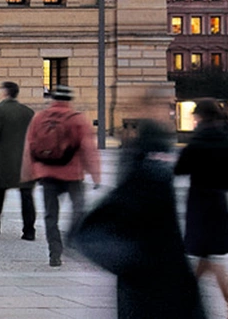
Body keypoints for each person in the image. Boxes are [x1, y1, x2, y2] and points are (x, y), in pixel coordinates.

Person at [76, 104, 199, 319]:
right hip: (159, 274)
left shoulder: (140, 177)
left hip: (142, 274)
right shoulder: (152, 177)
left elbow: (93, 226)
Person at [177, 99, 228, 319]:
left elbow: (180, 169)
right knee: (208, 256)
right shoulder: (227, 140)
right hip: (218, 201)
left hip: (199, 202)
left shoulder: (198, 141)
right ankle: (186, 302)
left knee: (210, 257)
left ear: (201, 117)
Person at [24, 85, 101, 267]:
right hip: (73, 174)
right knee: (79, 209)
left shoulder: (40, 117)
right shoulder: (78, 119)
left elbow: (29, 145)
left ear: (53, 99)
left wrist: (29, 172)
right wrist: (96, 175)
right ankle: (70, 240)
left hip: (47, 173)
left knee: (51, 215)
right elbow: (88, 148)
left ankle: (54, 253)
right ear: (69, 100)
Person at [0, 81, 38, 239]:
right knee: (26, 195)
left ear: (6, 92)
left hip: (4, 158)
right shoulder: (28, 112)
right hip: (25, 160)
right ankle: (29, 230)